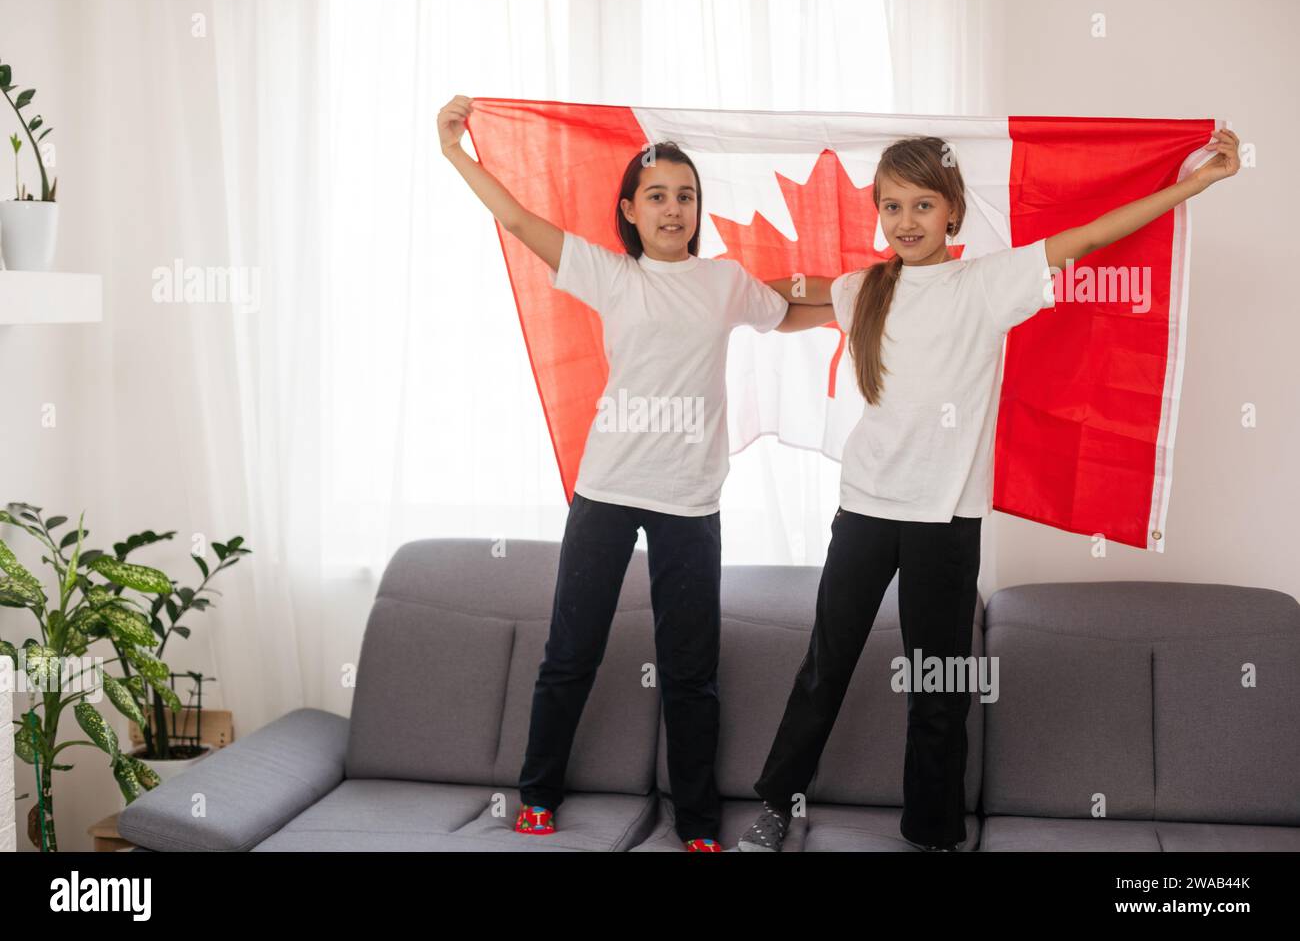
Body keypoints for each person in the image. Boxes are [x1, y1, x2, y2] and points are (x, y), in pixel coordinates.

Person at [739, 128, 1242, 852]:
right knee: (828, 664)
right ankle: (776, 804)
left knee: (937, 686)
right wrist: (694, 283)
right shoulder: (862, 289)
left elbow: (1093, 234)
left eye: (921, 204)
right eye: (890, 206)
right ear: (877, 214)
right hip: (865, 512)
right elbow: (784, 304)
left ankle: (934, 832)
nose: (905, 221)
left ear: (952, 212)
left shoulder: (988, 283)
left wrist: (1192, 185)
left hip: (946, 520)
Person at [438, 94, 834, 851]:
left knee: (691, 672)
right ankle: (537, 795)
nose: (673, 207)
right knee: (570, 652)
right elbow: (520, 221)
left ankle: (695, 823)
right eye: (657, 194)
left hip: (690, 501)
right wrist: (457, 153)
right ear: (630, 208)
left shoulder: (723, 282)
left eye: (686, 195)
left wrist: (875, 299)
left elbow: (789, 311)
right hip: (608, 492)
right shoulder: (608, 274)